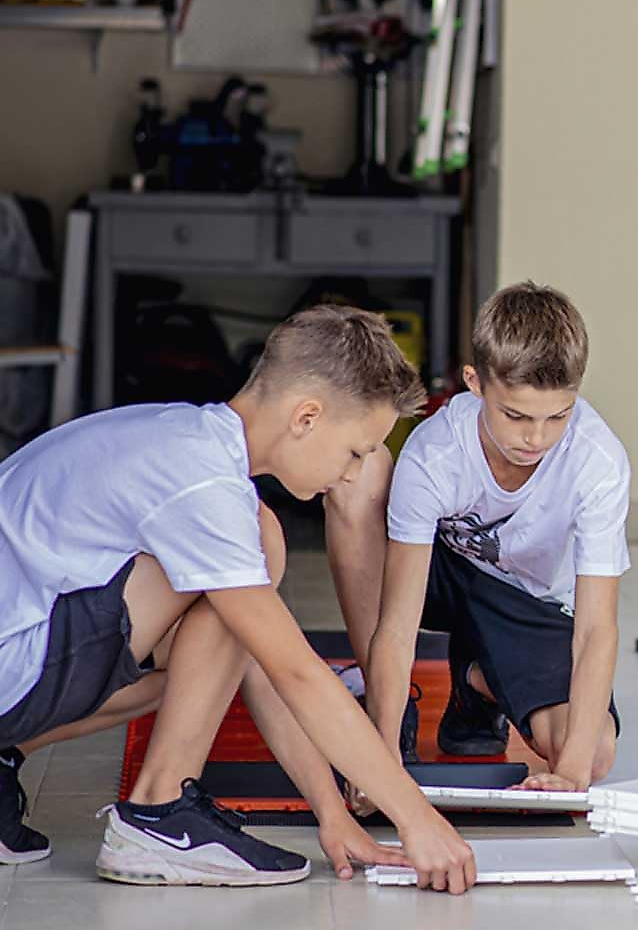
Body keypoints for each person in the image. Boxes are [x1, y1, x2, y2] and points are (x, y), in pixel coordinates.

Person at [0, 305, 476, 892]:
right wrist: (418, 819)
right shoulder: (205, 485)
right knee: (257, 546)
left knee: (210, 648)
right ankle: (159, 813)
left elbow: (249, 661)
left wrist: (332, 814)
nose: (354, 473)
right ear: (307, 417)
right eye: (356, 451)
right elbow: (295, 672)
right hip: (12, 663)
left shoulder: (184, 436)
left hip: (18, 649)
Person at [326, 282, 630, 799]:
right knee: (359, 477)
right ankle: (387, 715)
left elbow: (597, 629)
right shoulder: (435, 451)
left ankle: (476, 683)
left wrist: (573, 773)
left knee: (595, 751)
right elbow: (397, 625)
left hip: (524, 602)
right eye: (516, 416)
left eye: (557, 416)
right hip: (438, 576)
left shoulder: (597, 461)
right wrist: (380, 762)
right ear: (475, 384)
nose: (536, 438)